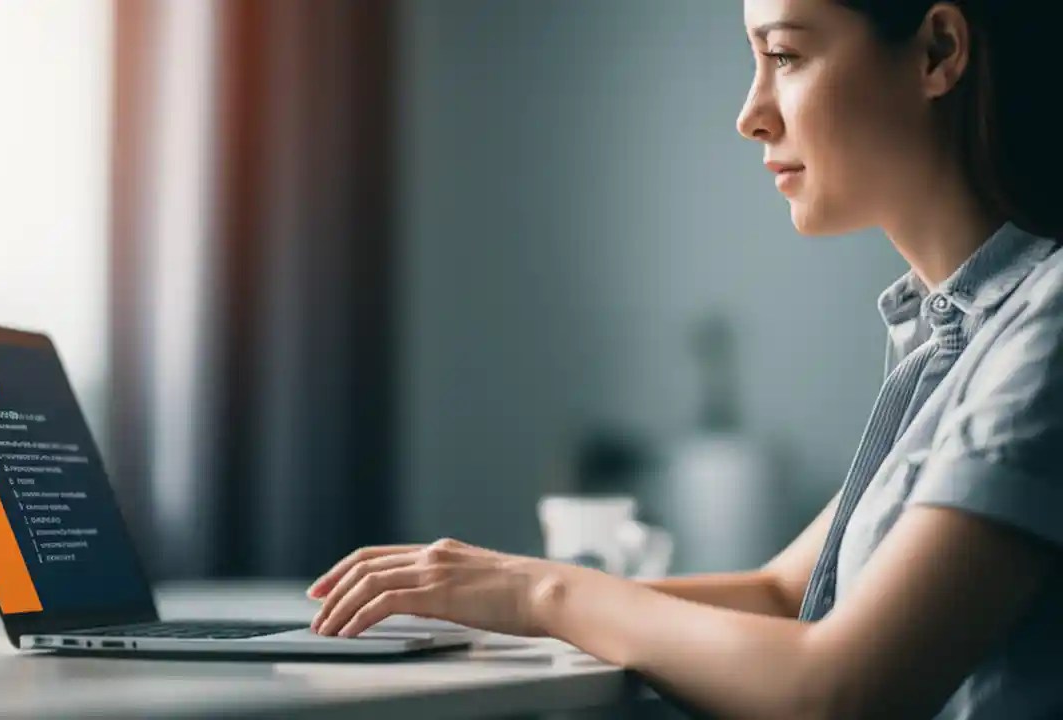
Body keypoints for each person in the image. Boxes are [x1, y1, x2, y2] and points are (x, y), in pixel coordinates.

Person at [306, 1, 1063, 717]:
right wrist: (476, 603)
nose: (750, 114)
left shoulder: (1047, 323)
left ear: (939, 51)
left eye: (785, 55)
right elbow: (782, 593)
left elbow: (836, 691)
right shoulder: (958, 336)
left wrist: (540, 594)